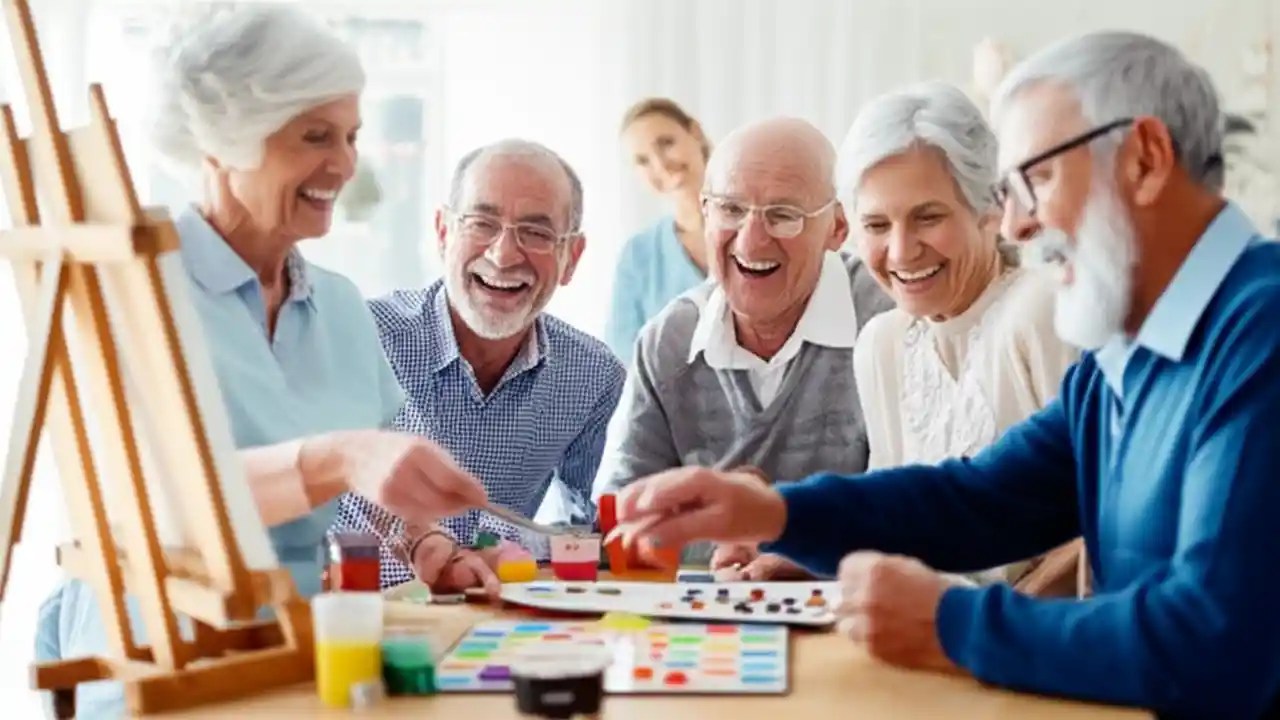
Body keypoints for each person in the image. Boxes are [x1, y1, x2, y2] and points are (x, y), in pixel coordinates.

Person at [607, 31, 1280, 717]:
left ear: (1144, 159)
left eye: (1036, 180)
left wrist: (947, 623)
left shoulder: (1262, 330)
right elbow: (981, 498)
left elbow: (1216, 643)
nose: (1015, 225)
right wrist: (776, 512)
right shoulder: (1123, 355)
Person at [34, 6, 487, 717]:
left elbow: (376, 488)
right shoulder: (131, 290)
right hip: (170, 662)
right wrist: (337, 459)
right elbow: (157, 499)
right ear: (226, 140)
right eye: (314, 136)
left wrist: (428, 541)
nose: (343, 164)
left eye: (350, 136)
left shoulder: (339, 305)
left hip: (310, 658)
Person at [596, 117, 894, 580]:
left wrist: (804, 542)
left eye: (783, 215)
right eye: (731, 210)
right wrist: (727, 527)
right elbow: (618, 526)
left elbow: (922, 514)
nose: (752, 239)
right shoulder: (668, 341)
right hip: (708, 626)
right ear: (705, 212)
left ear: (837, 229)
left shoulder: (888, 323)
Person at [333, 139, 625, 589]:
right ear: (443, 231)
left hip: (498, 616)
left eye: (537, 233)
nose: (503, 255)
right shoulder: (361, 335)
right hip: (363, 617)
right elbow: (337, 500)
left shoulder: (593, 375)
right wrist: (451, 546)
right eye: (481, 223)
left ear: (572, 258)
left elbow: (580, 530)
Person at [838, 82, 1078, 588]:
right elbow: (892, 527)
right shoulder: (881, 345)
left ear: (990, 210)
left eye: (928, 217)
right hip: (927, 641)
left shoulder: (1043, 310)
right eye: (877, 224)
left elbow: (1106, 527)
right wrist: (803, 554)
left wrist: (992, 625)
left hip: (1038, 645)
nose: (901, 252)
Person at [605, 98, 711, 364]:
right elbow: (623, 356)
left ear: (695, 133)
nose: (661, 165)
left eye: (666, 143)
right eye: (643, 161)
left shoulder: (756, 228)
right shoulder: (638, 255)